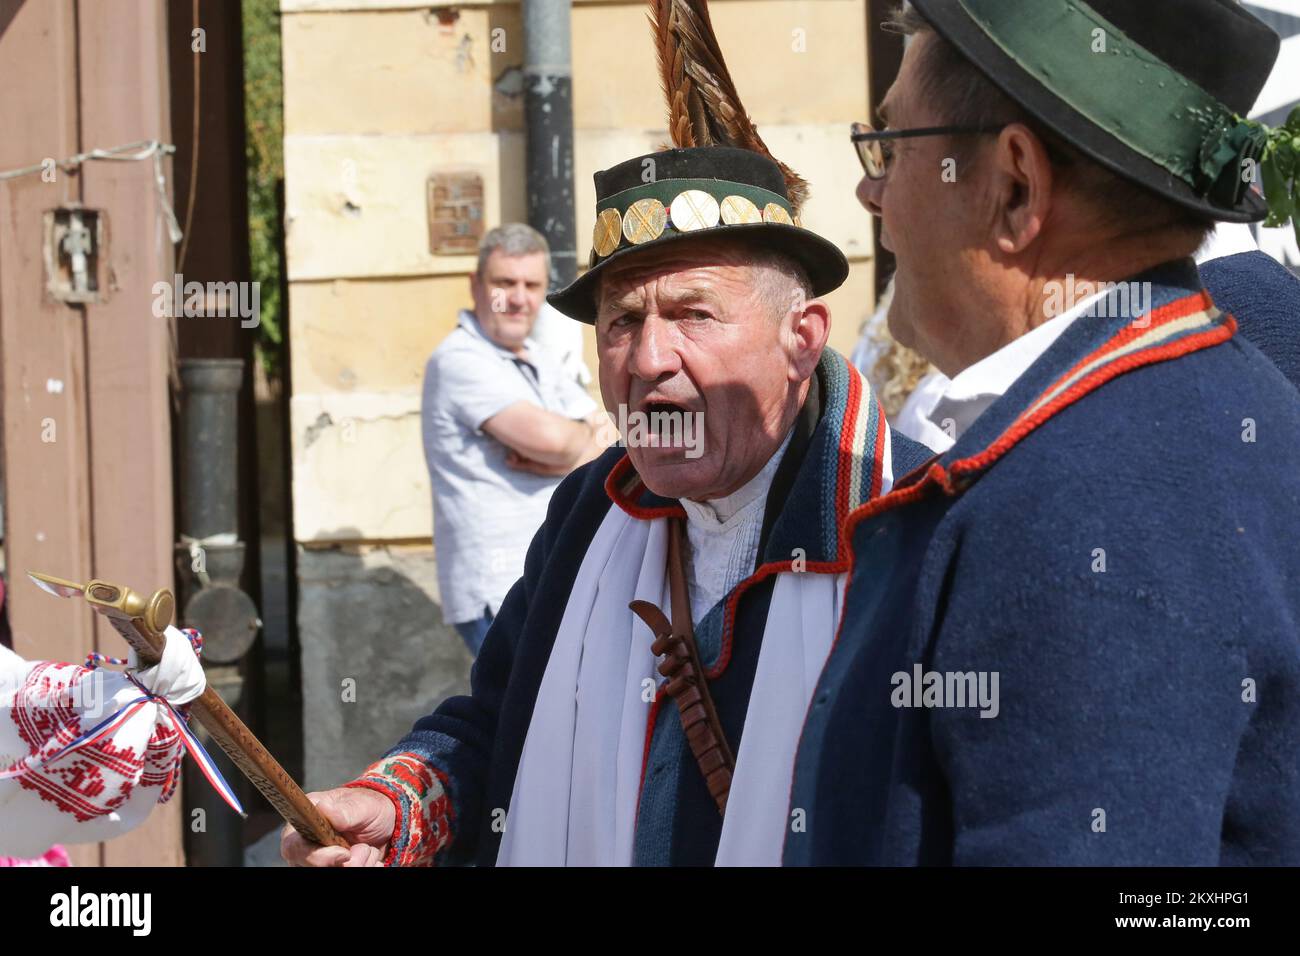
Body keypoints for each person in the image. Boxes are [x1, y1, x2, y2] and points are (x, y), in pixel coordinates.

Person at [282, 1, 933, 862]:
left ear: (801, 340)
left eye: (693, 313)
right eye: (622, 322)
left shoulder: (909, 528)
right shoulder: (593, 508)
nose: (649, 357)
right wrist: (401, 802)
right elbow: (495, 719)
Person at [787, 0, 1300, 865]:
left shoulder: (1082, 505)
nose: (869, 190)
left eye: (892, 147)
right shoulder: (1222, 400)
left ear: (1014, 185)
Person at [420, 224, 608, 655]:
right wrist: (573, 449)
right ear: (475, 285)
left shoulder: (536, 357)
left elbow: (610, 437)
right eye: (504, 282)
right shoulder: (460, 360)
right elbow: (559, 441)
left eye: (532, 285)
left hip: (544, 578)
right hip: (499, 589)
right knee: (524, 717)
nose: (519, 298)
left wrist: (571, 450)